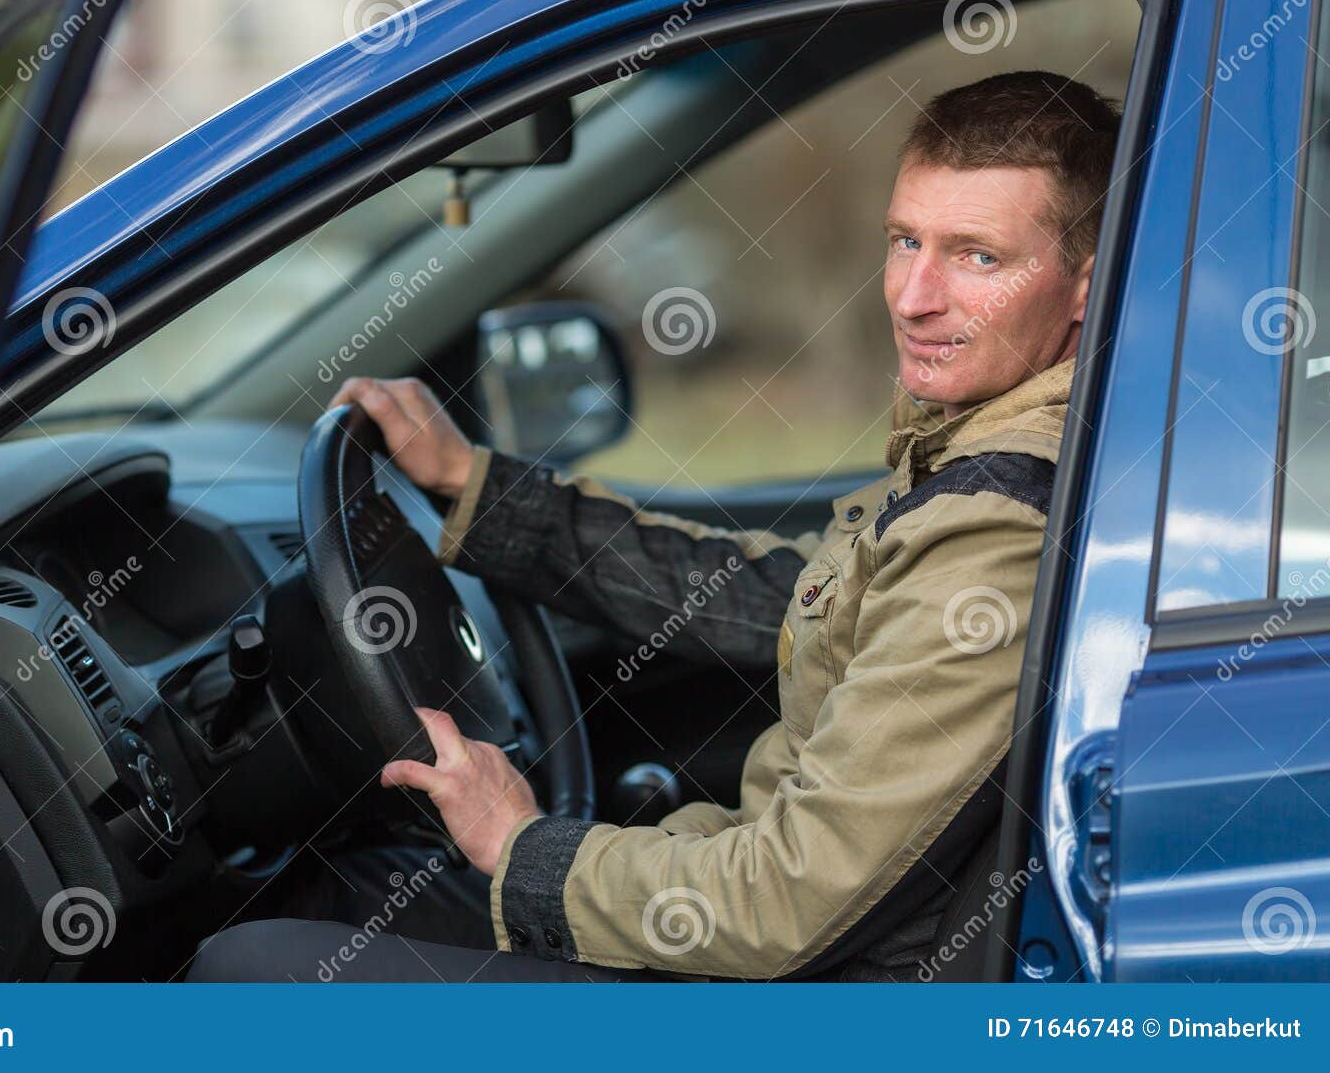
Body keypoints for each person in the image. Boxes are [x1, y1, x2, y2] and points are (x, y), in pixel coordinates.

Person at [187, 70, 1120, 982]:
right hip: (762, 940)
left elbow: (787, 902)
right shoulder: (963, 459)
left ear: (1086, 282)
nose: (913, 297)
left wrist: (523, 842)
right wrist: (477, 485)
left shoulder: (996, 521)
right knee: (342, 896)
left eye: (977, 256)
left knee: (250, 965)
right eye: (904, 240)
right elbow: (773, 599)